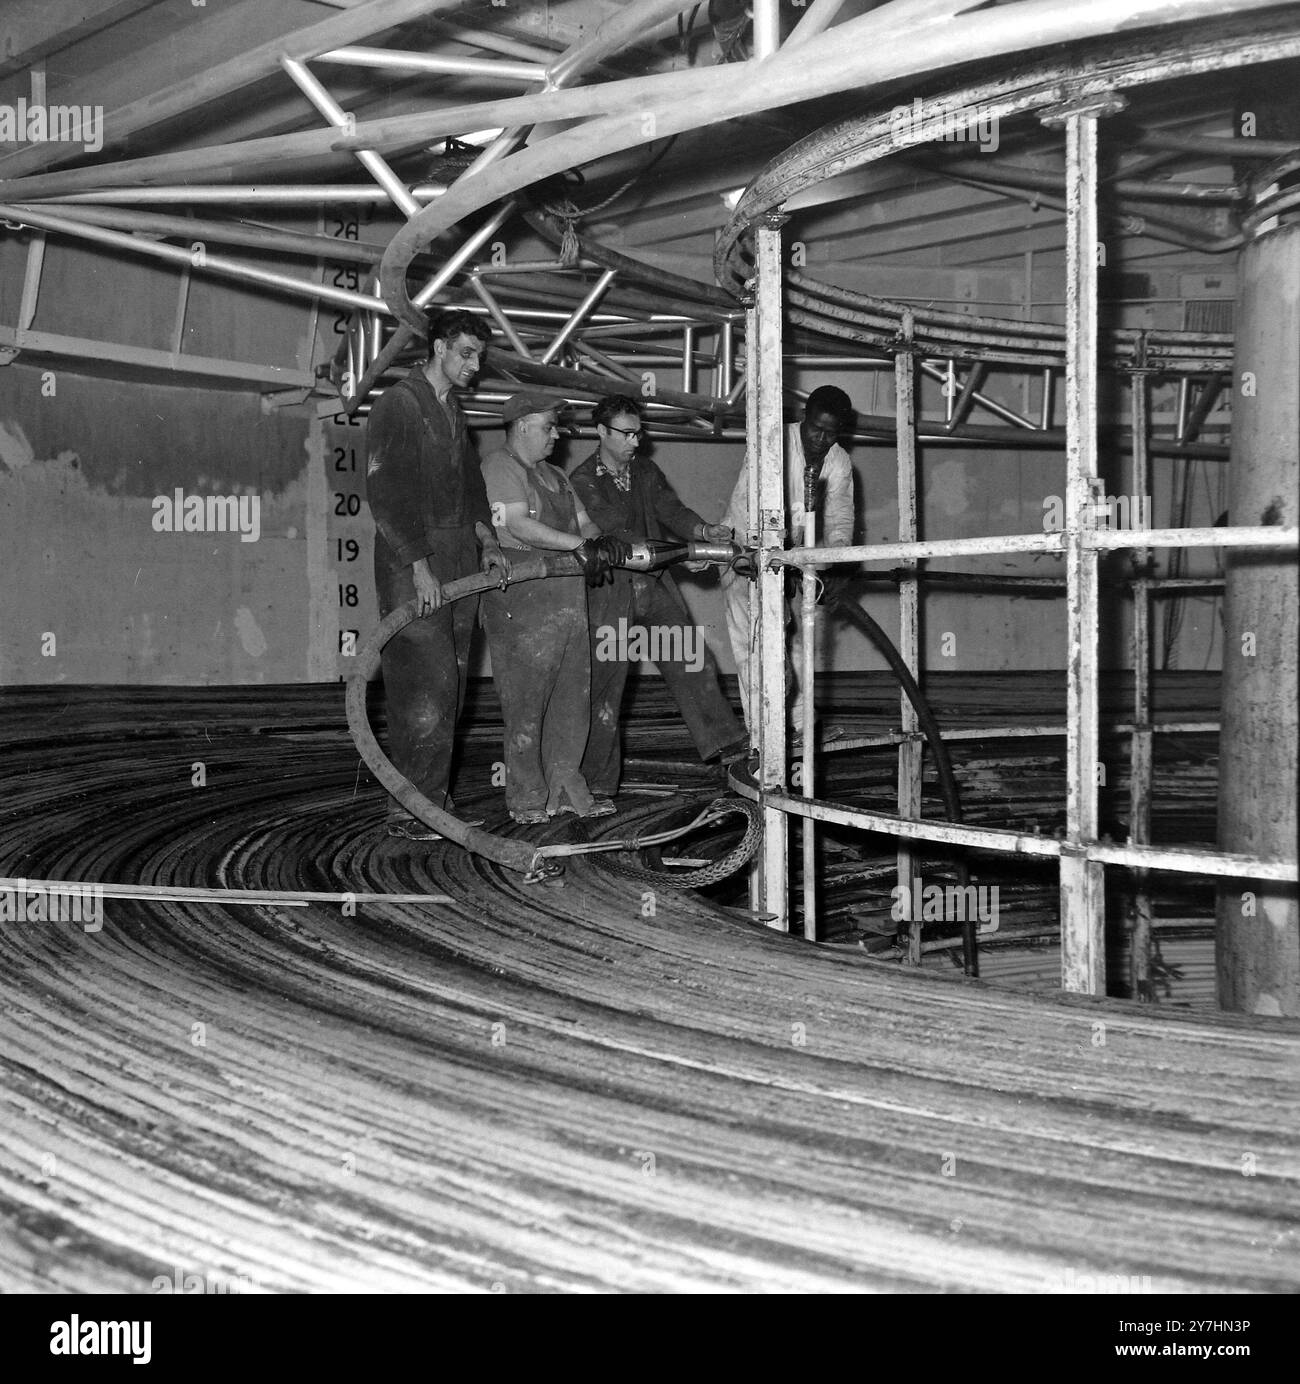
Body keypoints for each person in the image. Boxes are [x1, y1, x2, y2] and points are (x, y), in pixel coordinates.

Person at [364, 308, 506, 841]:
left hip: (459, 556)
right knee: (425, 682)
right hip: (412, 559)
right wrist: (419, 568)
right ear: (439, 348)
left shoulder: (453, 411)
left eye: (480, 356)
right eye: (467, 353)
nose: (475, 364)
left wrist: (488, 541)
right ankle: (410, 809)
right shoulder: (397, 405)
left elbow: (472, 484)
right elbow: (387, 497)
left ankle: (433, 800)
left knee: (453, 684)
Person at [569, 395, 750, 799]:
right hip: (611, 595)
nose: (636, 441)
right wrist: (687, 556)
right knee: (606, 689)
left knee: (692, 660)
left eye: (639, 432)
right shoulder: (582, 480)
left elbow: (672, 510)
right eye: (627, 434)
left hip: (653, 588)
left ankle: (727, 747)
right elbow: (617, 534)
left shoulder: (645, 470)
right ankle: (598, 785)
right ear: (601, 432)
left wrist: (703, 532)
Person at [480, 392, 625, 824]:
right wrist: (583, 547)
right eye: (549, 426)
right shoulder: (500, 467)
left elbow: (583, 524)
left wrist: (602, 543)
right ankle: (525, 795)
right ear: (522, 425)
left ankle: (565, 784)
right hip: (522, 596)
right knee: (526, 698)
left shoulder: (557, 475)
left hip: (566, 594)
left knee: (572, 695)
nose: (556, 435)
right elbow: (519, 525)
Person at [719, 386, 856, 736]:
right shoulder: (774, 443)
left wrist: (837, 562)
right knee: (759, 654)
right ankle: (763, 738)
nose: (822, 439)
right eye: (816, 429)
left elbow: (840, 520)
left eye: (831, 432)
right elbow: (746, 505)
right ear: (804, 419)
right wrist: (756, 554)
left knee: (797, 648)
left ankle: (799, 728)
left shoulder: (838, 461)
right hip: (746, 559)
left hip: (792, 561)